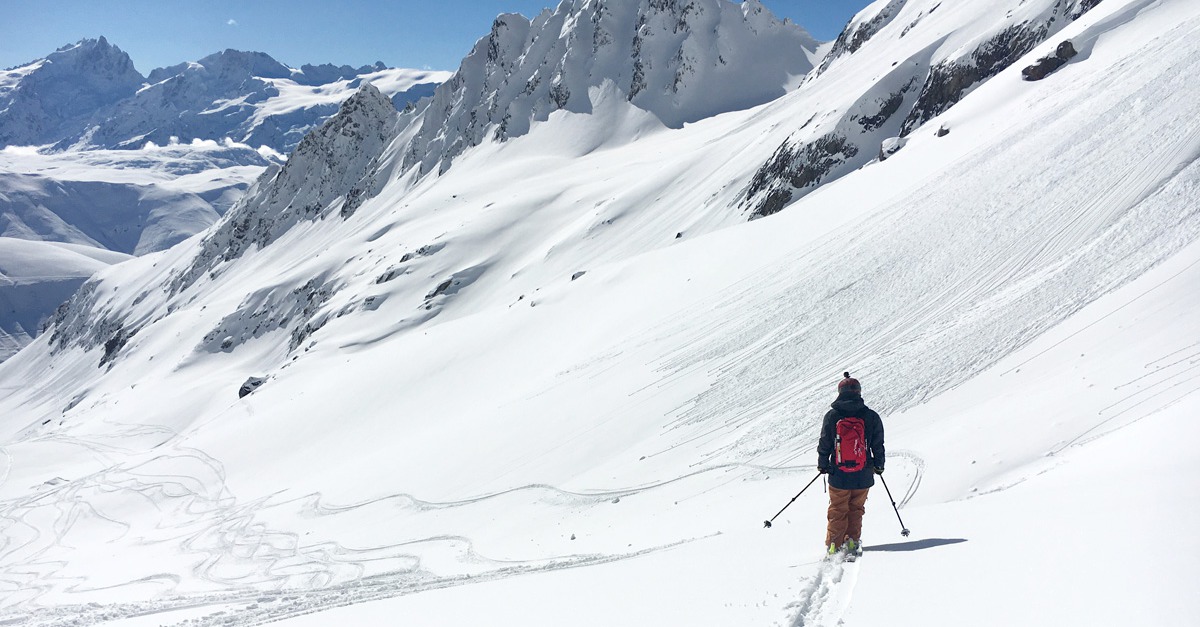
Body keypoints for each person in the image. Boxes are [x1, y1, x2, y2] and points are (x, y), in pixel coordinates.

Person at [817, 372, 885, 556]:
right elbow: (878, 445)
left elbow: (825, 443)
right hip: (863, 473)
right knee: (856, 508)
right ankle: (852, 542)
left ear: (840, 392)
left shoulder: (832, 416)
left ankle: (833, 544)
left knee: (838, 509)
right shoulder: (871, 416)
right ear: (859, 392)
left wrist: (823, 464)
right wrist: (879, 465)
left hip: (838, 474)